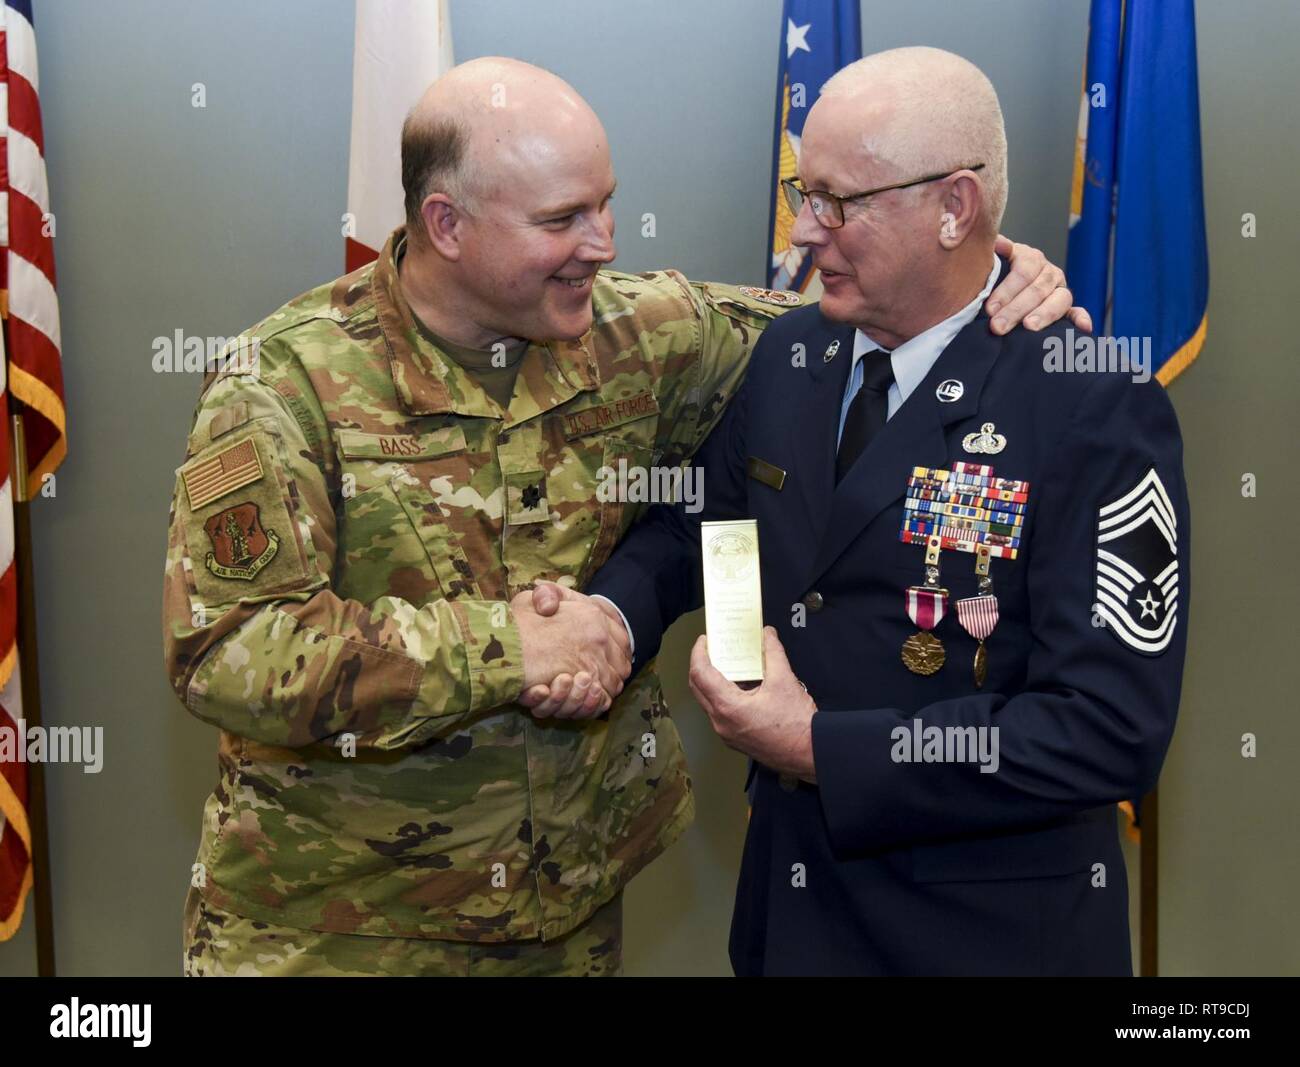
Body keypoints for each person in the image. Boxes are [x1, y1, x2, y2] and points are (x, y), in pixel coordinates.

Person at [164, 56, 1079, 976]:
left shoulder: (648, 333)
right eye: (562, 219)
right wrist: (510, 649)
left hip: (568, 911)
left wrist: (1000, 264)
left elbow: (876, 310)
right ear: (445, 224)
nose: (602, 243)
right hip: (339, 929)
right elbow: (225, 652)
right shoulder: (281, 388)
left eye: (605, 204)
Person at [558, 47, 1188, 976]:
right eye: (802, 194)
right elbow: (705, 526)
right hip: (793, 918)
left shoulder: (1089, 399)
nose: (808, 232)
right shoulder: (792, 354)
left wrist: (819, 747)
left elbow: (1105, 731)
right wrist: (608, 616)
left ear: (953, 208)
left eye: (838, 203)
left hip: (984, 940)